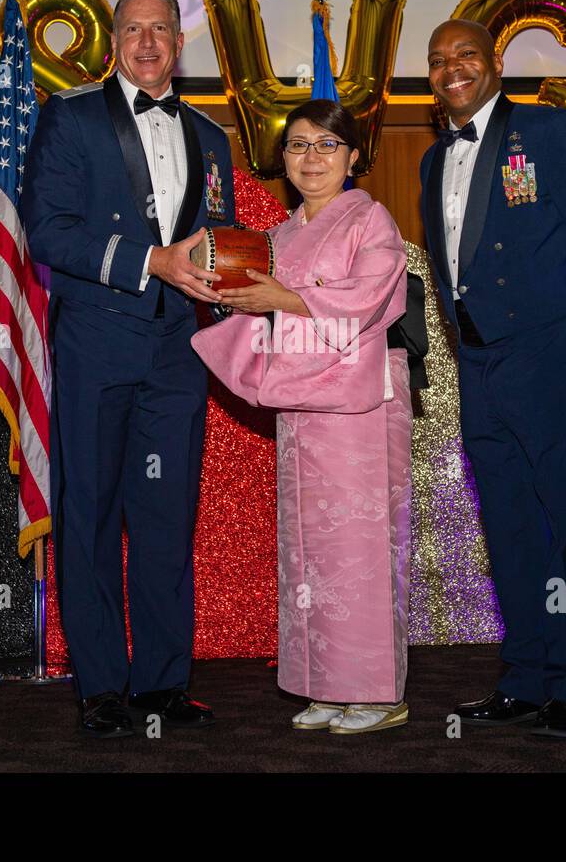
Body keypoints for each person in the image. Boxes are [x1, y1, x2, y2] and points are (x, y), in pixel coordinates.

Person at [19, 0, 235, 739]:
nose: (147, 43)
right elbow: (47, 231)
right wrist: (151, 262)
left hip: (178, 353)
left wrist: (246, 298)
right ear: (114, 42)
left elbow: (219, 244)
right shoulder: (71, 116)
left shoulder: (211, 135)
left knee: (167, 518)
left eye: (160, 29)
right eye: (133, 30)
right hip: (97, 344)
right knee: (89, 516)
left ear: (179, 42)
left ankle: (164, 684)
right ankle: (103, 687)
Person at [419, 19, 566, 737]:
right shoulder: (431, 161)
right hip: (479, 363)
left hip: (553, 355)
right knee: (510, 525)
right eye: (438, 60)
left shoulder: (554, 132)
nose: (452, 69)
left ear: (495, 62)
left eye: (466, 55)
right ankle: (523, 677)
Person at [191, 100, 412, 734]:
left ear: (352, 157)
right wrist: (232, 301)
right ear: (282, 159)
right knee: (310, 547)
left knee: (361, 545)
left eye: (326, 144)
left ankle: (377, 694)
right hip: (301, 404)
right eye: (297, 145)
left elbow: (370, 298)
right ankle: (325, 684)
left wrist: (283, 298)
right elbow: (262, 310)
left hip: (360, 404)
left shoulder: (370, 220)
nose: (311, 157)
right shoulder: (280, 236)